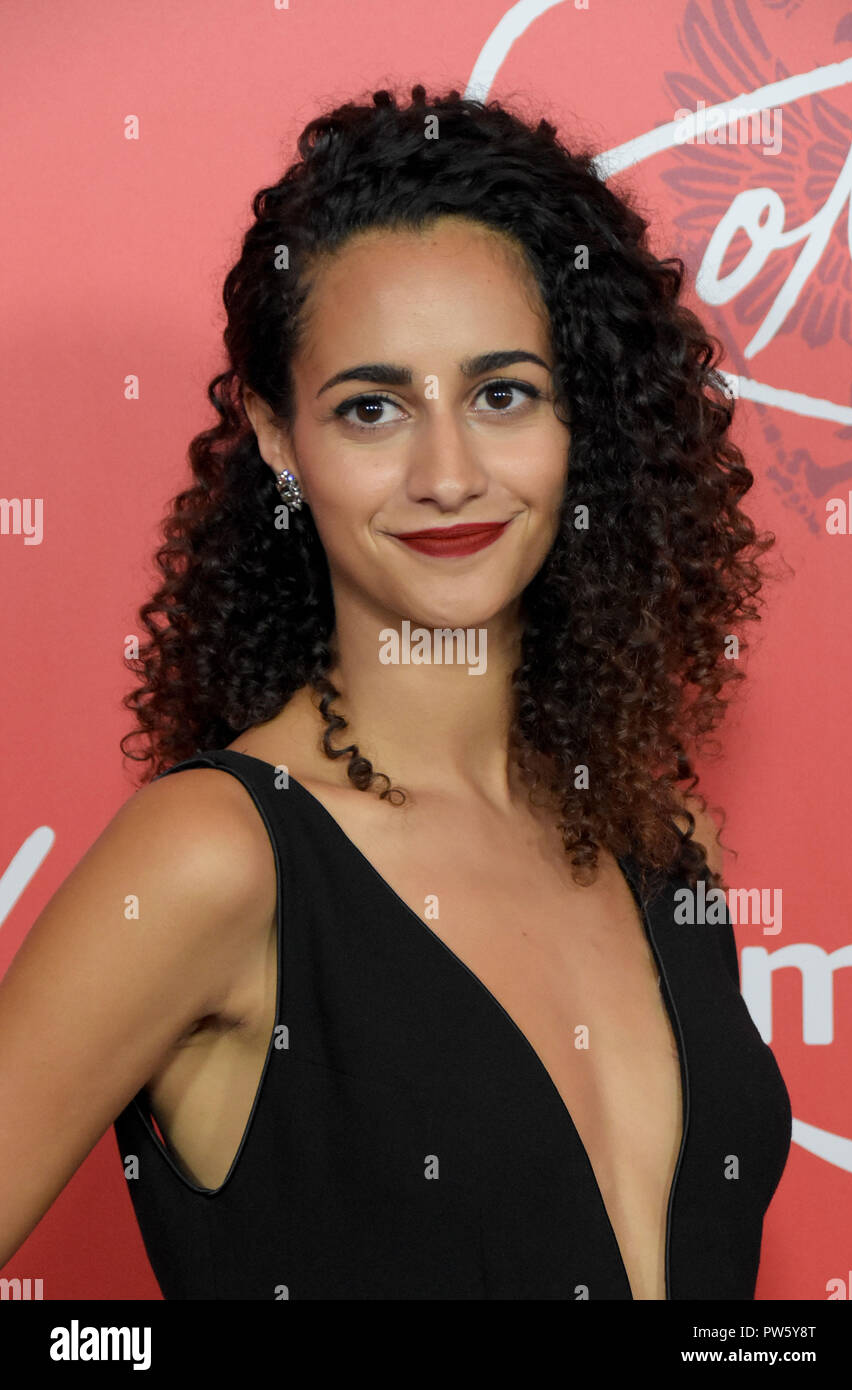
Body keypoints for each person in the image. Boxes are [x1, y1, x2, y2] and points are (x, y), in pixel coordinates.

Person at [0, 85, 791, 1300]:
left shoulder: (657, 842)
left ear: (582, 423)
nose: (445, 473)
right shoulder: (217, 857)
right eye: (372, 407)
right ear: (277, 438)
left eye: (501, 393)